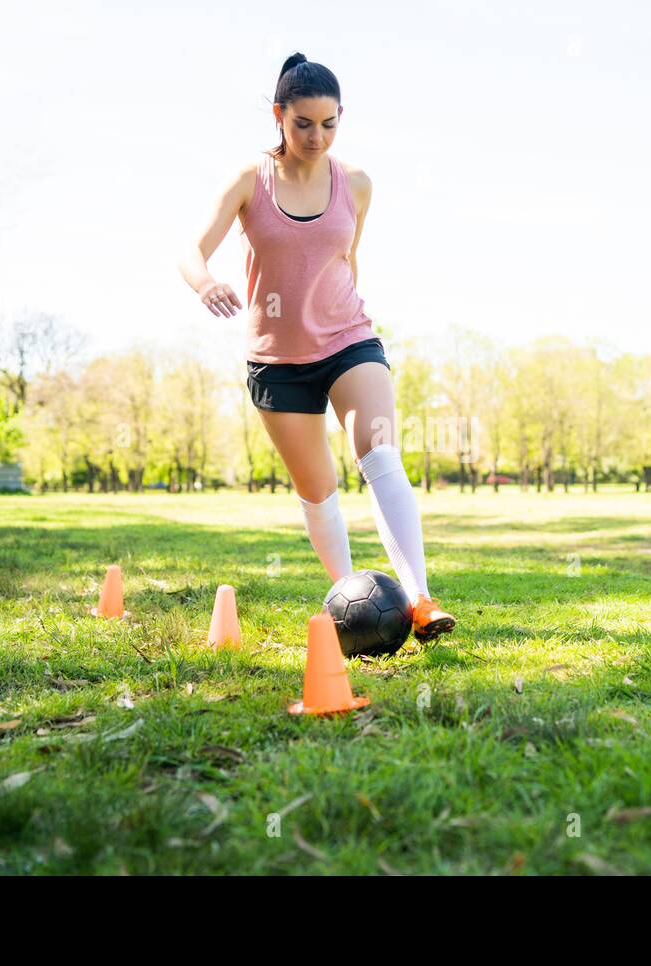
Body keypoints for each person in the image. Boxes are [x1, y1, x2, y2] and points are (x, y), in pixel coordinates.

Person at [177, 52, 455, 644]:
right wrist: (207, 284)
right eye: (303, 123)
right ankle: (355, 599)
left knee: (380, 455)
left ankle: (422, 598)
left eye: (329, 123)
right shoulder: (249, 180)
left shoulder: (355, 183)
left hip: (348, 338)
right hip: (277, 359)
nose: (316, 135)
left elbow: (347, 257)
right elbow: (191, 249)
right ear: (279, 115)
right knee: (318, 489)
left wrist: (354, 308)